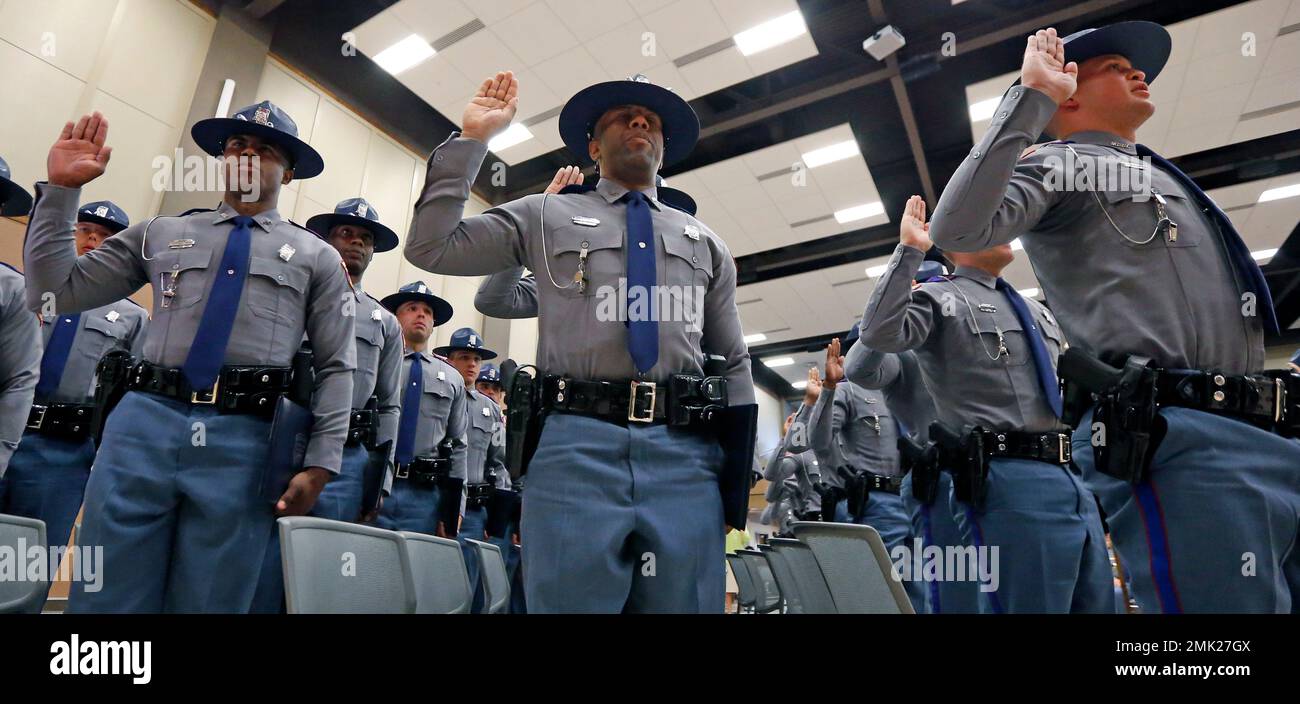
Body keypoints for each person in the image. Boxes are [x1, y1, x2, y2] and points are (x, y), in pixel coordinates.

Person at [928, 23, 1300, 613]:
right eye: (1114, 66)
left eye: (1136, 67)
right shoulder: (1059, 163)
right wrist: (1029, 100)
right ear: (1068, 92)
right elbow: (957, 229)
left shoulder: (1162, 175)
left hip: (1268, 433)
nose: (1137, 73)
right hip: (1184, 434)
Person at [404, 71, 755, 613]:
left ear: (663, 148)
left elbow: (733, 362)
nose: (640, 122)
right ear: (593, 146)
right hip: (574, 449)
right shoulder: (545, 215)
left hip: (684, 458)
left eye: (652, 121)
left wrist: (732, 483)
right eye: (623, 116)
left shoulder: (706, 244)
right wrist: (473, 139)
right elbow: (433, 248)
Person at [23, 103, 354, 612]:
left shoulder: (317, 257)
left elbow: (336, 365)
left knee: (213, 597)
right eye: (237, 147)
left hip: (246, 440)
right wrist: (63, 193)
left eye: (265, 150)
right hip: (144, 427)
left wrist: (321, 462)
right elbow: (55, 293)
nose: (248, 157)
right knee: (107, 590)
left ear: (288, 172)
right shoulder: (159, 233)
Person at [859, 195, 1111, 613]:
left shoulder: (1037, 311)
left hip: (1068, 478)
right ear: (952, 240)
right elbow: (878, 334)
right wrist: (909, 253)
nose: (1001, 226)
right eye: (984, 218)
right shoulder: (940, 298)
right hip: (1006, 477)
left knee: (1095, 604)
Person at [249, 197, 403, 612]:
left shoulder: (384, 323)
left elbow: (389, 406)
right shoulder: (295, 295)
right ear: (326, 239)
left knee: (322, 574)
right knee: (258, 563)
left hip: (345, 460)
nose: (355, 243)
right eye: (345, 233)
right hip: (280, 441)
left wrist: (380, 481)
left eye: (365, 239)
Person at [2, 200, 147, 561]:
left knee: (27, 563)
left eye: (106, 238)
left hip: (63, 451)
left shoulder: (132, 317)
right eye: (85, 231)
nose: (92, 241)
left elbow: (133, 396)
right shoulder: (27, 291)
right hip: (7, 427)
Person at [841, 260, 979, 614]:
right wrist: (896, 301)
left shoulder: (967, 337)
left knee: (989, 585)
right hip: (935, 478)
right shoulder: (899, 357)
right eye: (928, 289)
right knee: (945, 588)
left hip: (989, 471)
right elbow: (863, 368)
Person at [373, 282, 467, 537]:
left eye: (427, 311)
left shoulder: (452, 379)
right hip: (377, 482)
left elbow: (458, 445)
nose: (421, 314)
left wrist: (454, 507)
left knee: (412, 570)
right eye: (412, 308)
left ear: (434, 322)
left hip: (424, 496)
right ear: (395, 316)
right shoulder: (378, 361)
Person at [435, 326, 507, 612]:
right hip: (438, 502)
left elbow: (499, 463)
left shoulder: (490, 411)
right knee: (433, 583)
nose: (472, 364)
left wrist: (497, 519)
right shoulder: (439, 395)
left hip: (475, 514)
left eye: (476, 359)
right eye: (465, 357)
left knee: (468, 587)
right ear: (450, 360)